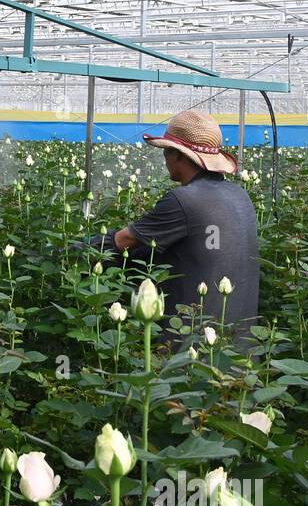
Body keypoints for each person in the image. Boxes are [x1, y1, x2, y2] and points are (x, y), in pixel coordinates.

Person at [110, 110, 259, 346]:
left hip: (192, 353)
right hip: (238, 345)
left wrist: (78, 250)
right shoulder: (240, 195)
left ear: (179, 155)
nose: (164, 160)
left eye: (166, 152)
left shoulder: (184, 200)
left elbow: (123, 242)